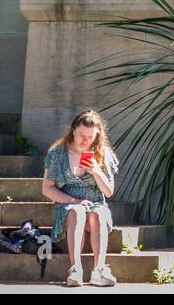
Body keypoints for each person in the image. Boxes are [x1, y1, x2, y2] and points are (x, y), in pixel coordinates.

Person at [42, 110, 119, 287]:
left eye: (90, 136)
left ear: (98, 135)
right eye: (81, 135)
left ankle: (99, 270)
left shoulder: (103, 154)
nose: (85, 140)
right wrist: (75, 201)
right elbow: (47, 188)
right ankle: (75, 269)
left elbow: (108, 192)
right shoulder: (58, 154)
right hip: (68, 205)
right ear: (73, 130)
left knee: (98, 214)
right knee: (77, 211)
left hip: (96, 204)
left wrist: (96, 171)